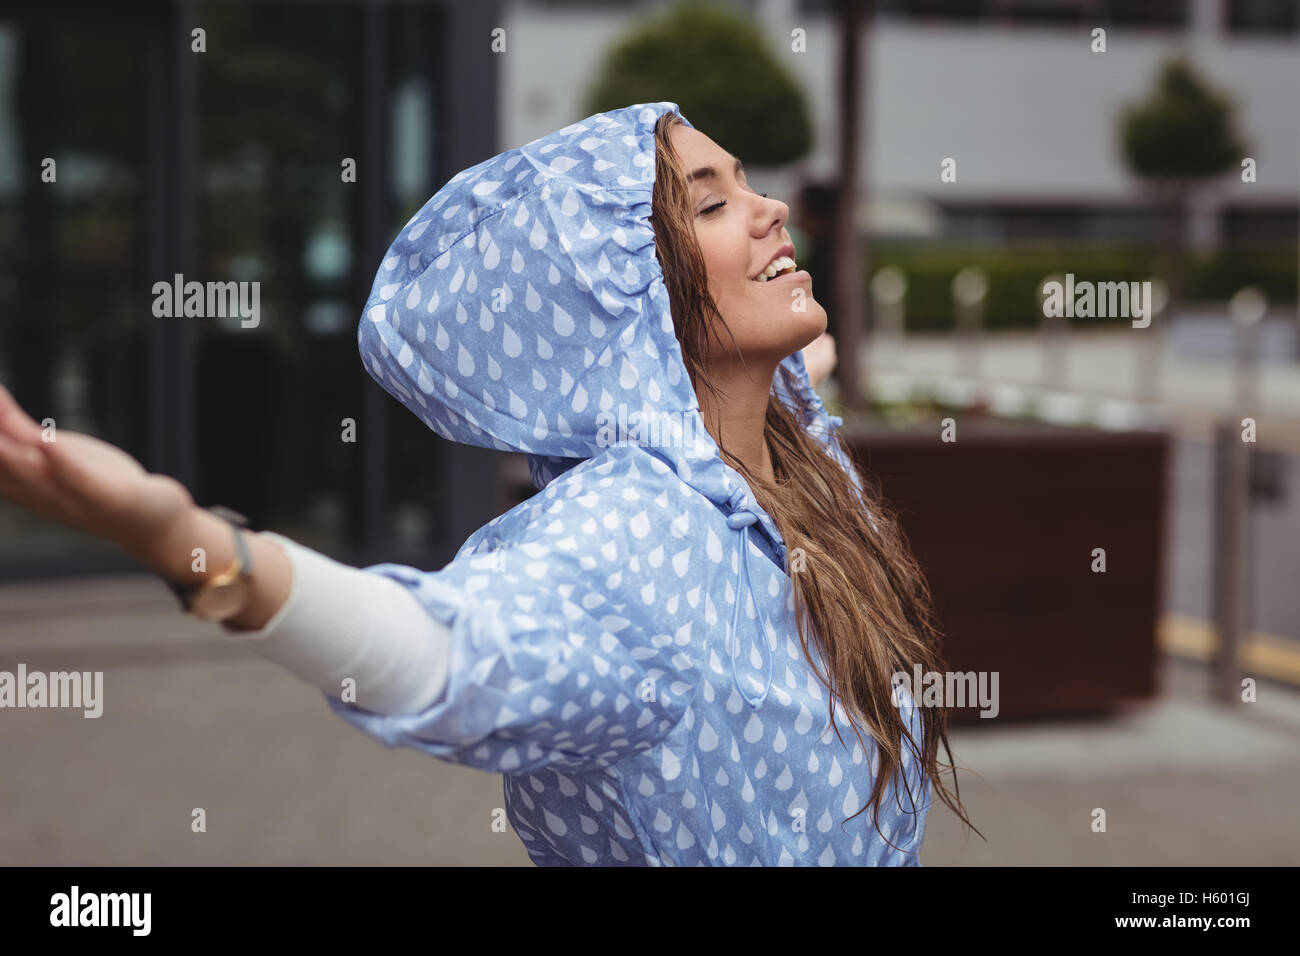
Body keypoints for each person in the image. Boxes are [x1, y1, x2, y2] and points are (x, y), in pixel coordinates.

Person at [0, 102, 977, 866]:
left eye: (746, 183)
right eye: (711, 202)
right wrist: (193, 546)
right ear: (627, 301)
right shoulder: (634, 537)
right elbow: (438, 656)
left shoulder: (787, 459)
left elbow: (786, 389)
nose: (770, 208)